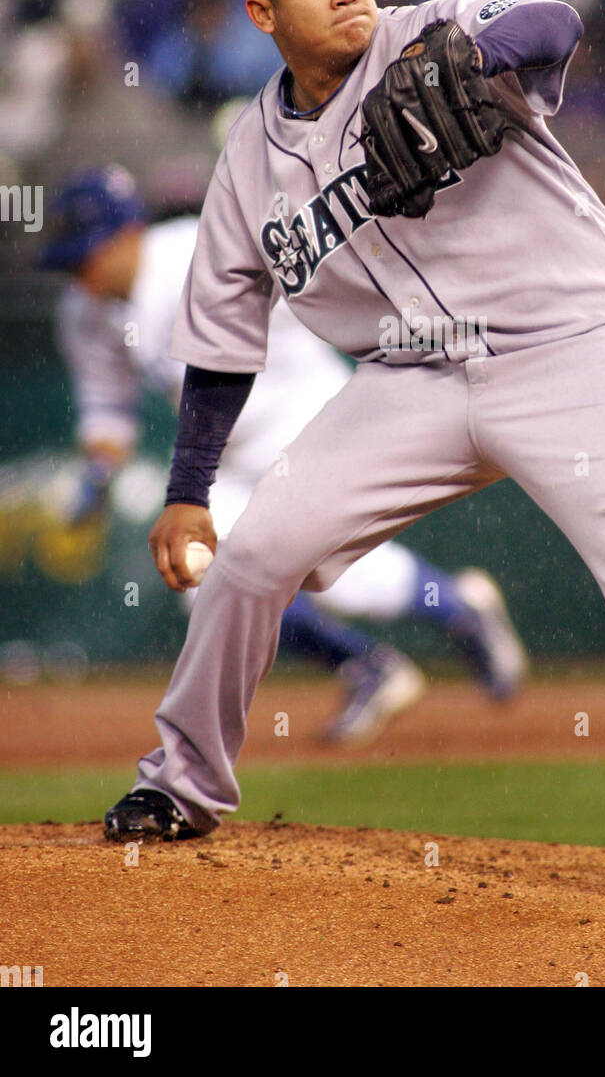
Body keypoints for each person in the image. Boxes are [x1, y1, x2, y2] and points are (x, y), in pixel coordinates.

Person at [103, 0, 605, 847]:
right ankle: (181, 784)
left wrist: (481, 59)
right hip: (410, 381)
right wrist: (186, 491)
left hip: (572, 340)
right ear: (262, 15)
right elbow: (219, 337)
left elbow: (552, 25)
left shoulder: (429, 33)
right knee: (248, 559)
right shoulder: (249, 163)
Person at [40, 165, 528, 743]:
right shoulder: (84, 312)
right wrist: (99, 472)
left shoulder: (197, 251)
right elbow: (108, 407)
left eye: (86, 256)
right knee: (207, 582)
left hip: (306, 419)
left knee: (328, 574)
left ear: (126, 234)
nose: (80, 274)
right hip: (223, 457)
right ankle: (370, 666)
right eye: (71, 262)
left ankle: (455, 607)